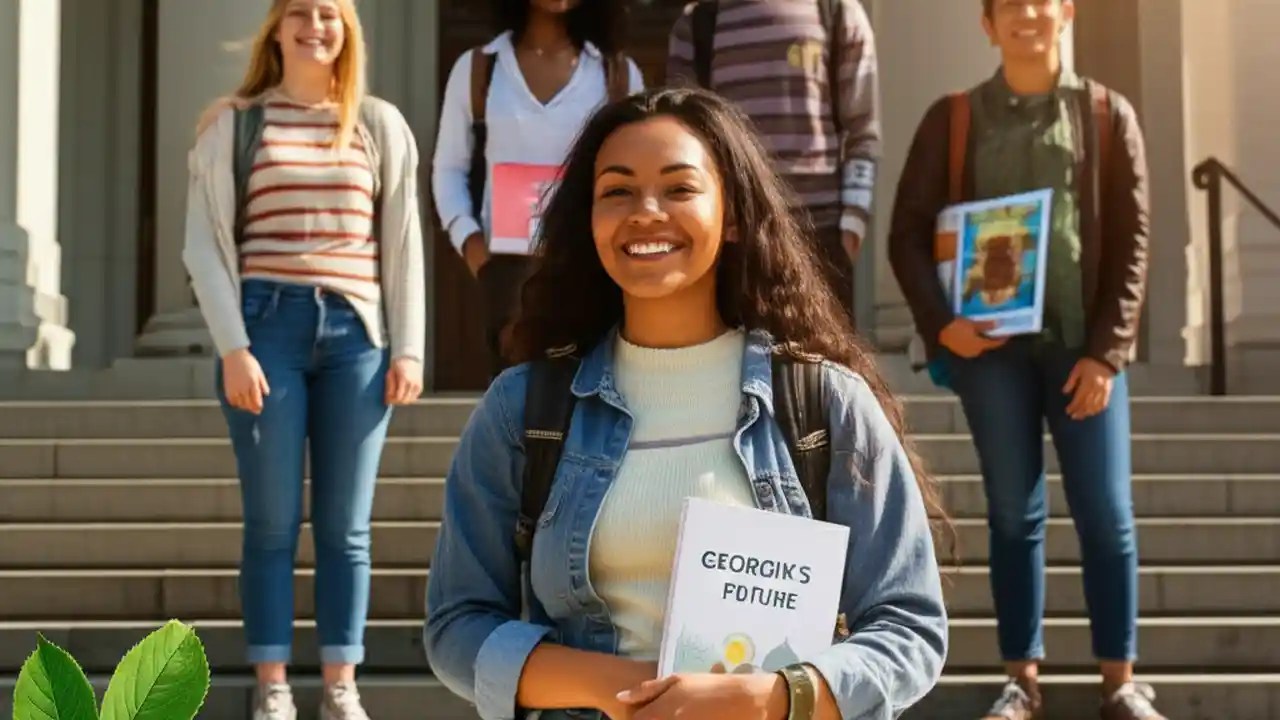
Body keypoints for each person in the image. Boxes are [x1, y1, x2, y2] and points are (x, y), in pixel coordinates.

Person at [424, 86, 947, 720]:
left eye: (679, 188)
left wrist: (774, 697)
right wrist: (628, 690)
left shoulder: (825, 403)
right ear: (588, 223)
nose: (646, 212)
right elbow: (458, 626)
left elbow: (908, 625)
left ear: (731, 218)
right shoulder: (522, 410)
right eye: (617, 191)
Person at [887, 1, 1155, 719]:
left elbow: (1132, 243)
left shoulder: (1106, 113)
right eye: (1010, 5)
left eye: (1042, 1)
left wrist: (1107, 353)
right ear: (988, 24)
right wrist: (943, 326)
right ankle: (1021, 681)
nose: (1027, 15)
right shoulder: (955, 118)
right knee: (1013, 514)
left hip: (1083, 351)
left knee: (1107, 515)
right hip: (990, 353)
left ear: (1066, 12)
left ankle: (1120, 682)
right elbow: (906, 232)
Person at [182, 0, 427, 718]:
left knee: (348, 528)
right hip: (266, 330)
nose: (315, 25)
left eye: (330, 13)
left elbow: (403, 242)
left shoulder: (378, 123)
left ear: (348, 29)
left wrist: (407, 347)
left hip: (356, 335)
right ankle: (274, 685)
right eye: (300, 11)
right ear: (277, 28)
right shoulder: (236, 122)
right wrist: (233, 348)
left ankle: (341, 685)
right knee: (271, 522)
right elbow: (201, 245)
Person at [432, 0, 644, 379]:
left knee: (586, 399)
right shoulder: (479, 68)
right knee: (515, 407)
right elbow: (448, 168)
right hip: (506, 273)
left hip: (589, 265)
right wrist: (471, 243)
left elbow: (637, 175)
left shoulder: (618, 75)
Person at [665, 0, 882, 326]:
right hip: (734, 238)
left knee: (823, 368)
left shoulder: (837, 12)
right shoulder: (698, 23)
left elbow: (862, 131)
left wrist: (853, 223)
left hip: (820, 235)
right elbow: (683, 139)